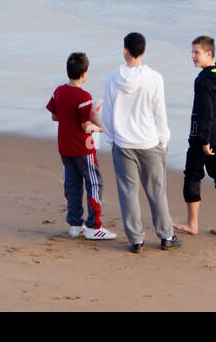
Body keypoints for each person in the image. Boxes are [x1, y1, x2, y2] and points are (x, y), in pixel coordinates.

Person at [103, 32, 182, 253]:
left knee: (128, 191)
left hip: (123, 143)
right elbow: (160, 112)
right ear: (144, 51)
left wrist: (110, 138)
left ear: (125, 51)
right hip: (149, 142)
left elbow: (107, 113)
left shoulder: (113, 78)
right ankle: (166, 235)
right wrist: (164, 138)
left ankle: (136, 239)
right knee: (156, 190)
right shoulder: (155, 78)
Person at [46, 52, 116, 240]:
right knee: (94, 182)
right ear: (85, 74)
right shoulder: (84, 96)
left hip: (65, 145)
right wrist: (101, 129)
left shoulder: (59, 91)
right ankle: (94, 225)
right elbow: (86, 126)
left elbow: (54, 116)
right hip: (83, 148)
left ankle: (75, 224)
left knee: (72, 183)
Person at [173, 35, 216, 237]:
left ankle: (192, 224)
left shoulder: (202, 80)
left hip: (203, 137)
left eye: (196, 53)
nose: (192, 56)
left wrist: (205, 139)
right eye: (192, 52)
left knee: (192, 175)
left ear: (208, 54)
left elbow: (206, 112)